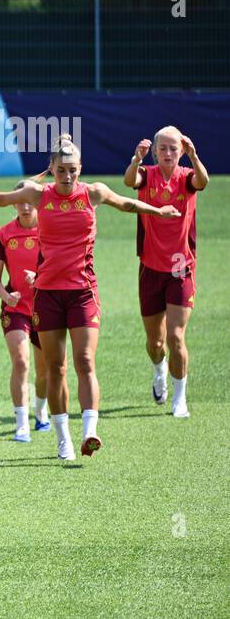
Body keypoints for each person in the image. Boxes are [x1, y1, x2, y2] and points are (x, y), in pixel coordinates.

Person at [0, 134, 180, 460]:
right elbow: (0, 198)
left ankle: (90, 431)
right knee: (55, 367)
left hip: (83, 292)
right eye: (61, 170)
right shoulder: (39, 196)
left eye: (72, 170)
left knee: (85, 361)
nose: (67, 177)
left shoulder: (93, 192)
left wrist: (158, 211)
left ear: (80, 168)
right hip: (47, 295)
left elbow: (126, 203)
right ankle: (62, 438)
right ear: (51, 169)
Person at [122, 128, 208, 418]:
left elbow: (203, 182)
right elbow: (129, 180)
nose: (168, 153)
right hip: (150, 268)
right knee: (155, 343)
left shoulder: (186, 177)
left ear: (181, 151)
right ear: (156, 151)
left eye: (174, 149)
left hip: (180, 267)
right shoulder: (147, 175)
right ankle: (159, 371)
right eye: (163, 149)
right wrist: (136, 159)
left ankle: (180, 398)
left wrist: (195, 157)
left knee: (176, 337)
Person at [0, 181, 50, 441]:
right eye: (19, 201)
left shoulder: (50, 231)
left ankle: (42, 410)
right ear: (13, 203)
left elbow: (62, 267)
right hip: (15, 310)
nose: (25, 206)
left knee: (45, 370)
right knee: (21, 362)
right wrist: (6, 296)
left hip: (47, 307)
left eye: (29, 200)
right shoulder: (4, 234)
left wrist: (41, 278)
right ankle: (21, 423)